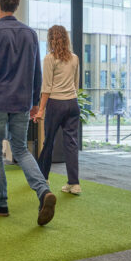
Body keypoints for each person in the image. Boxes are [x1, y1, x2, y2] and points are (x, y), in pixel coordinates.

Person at [0, 0, 56, 226]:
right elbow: (36, 72)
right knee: (20, 149)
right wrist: (34, 102)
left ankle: (0, 202)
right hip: (22, 103)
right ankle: (43, 191)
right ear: (17, 6)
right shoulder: (31, 34)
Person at [35, 25, 81, 195]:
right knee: (71, 144)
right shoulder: (75, 58)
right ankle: (74, 184)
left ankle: (43, 177)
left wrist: (40, 110)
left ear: (51, 39)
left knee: (49, 141)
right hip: (72, 103)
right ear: (66, 38)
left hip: (56, 103)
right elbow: (76, 84)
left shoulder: (49, 59)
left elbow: (46, 87)